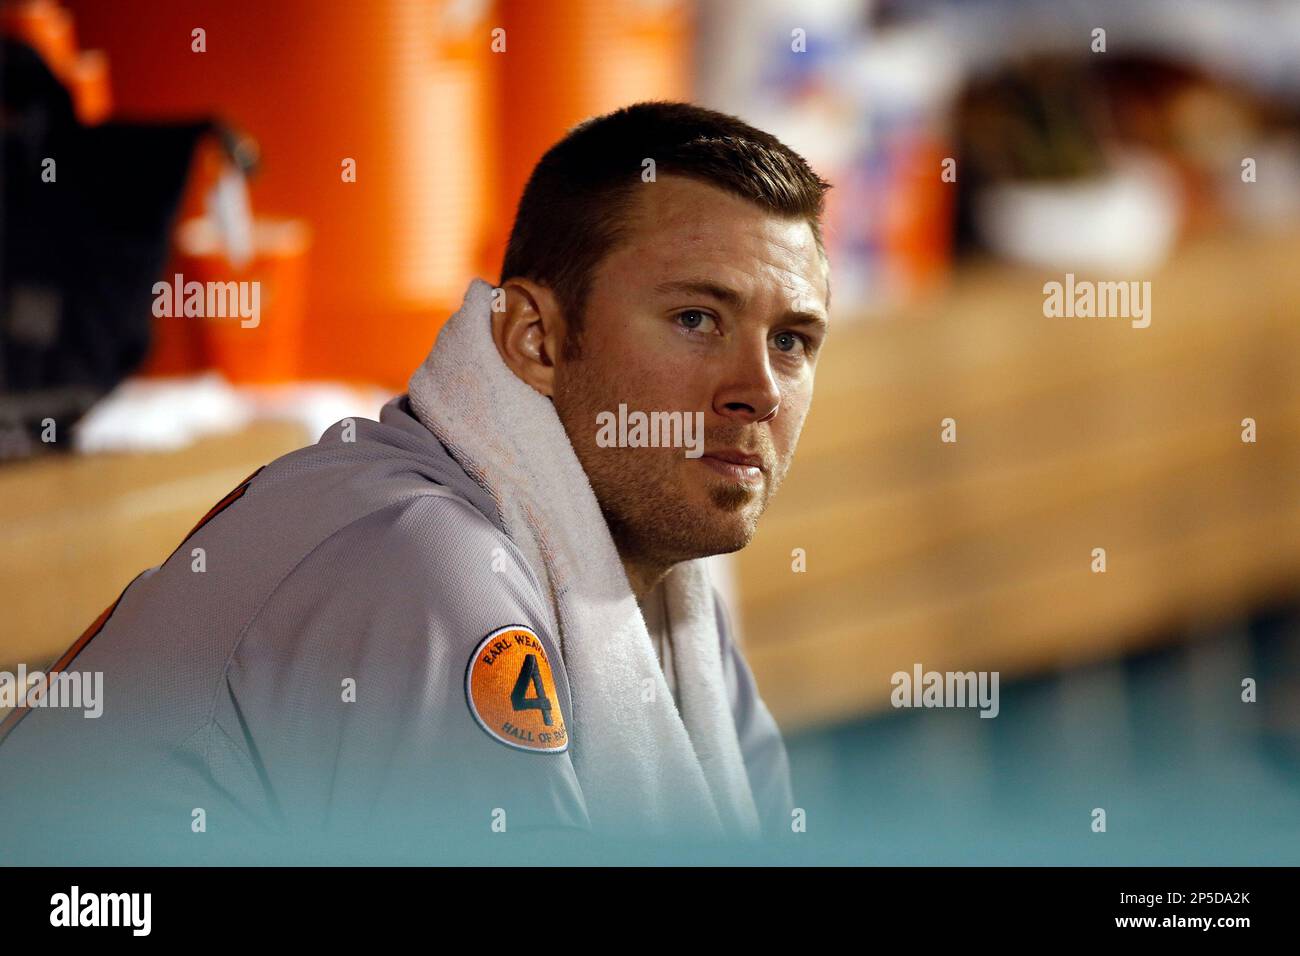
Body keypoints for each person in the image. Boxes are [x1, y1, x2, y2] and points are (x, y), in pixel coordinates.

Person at [0, 100, 832, 863]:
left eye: (793, 340)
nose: (758, 388)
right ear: (536, 341)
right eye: (696, 319)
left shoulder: (674, 611)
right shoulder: (425, 566)